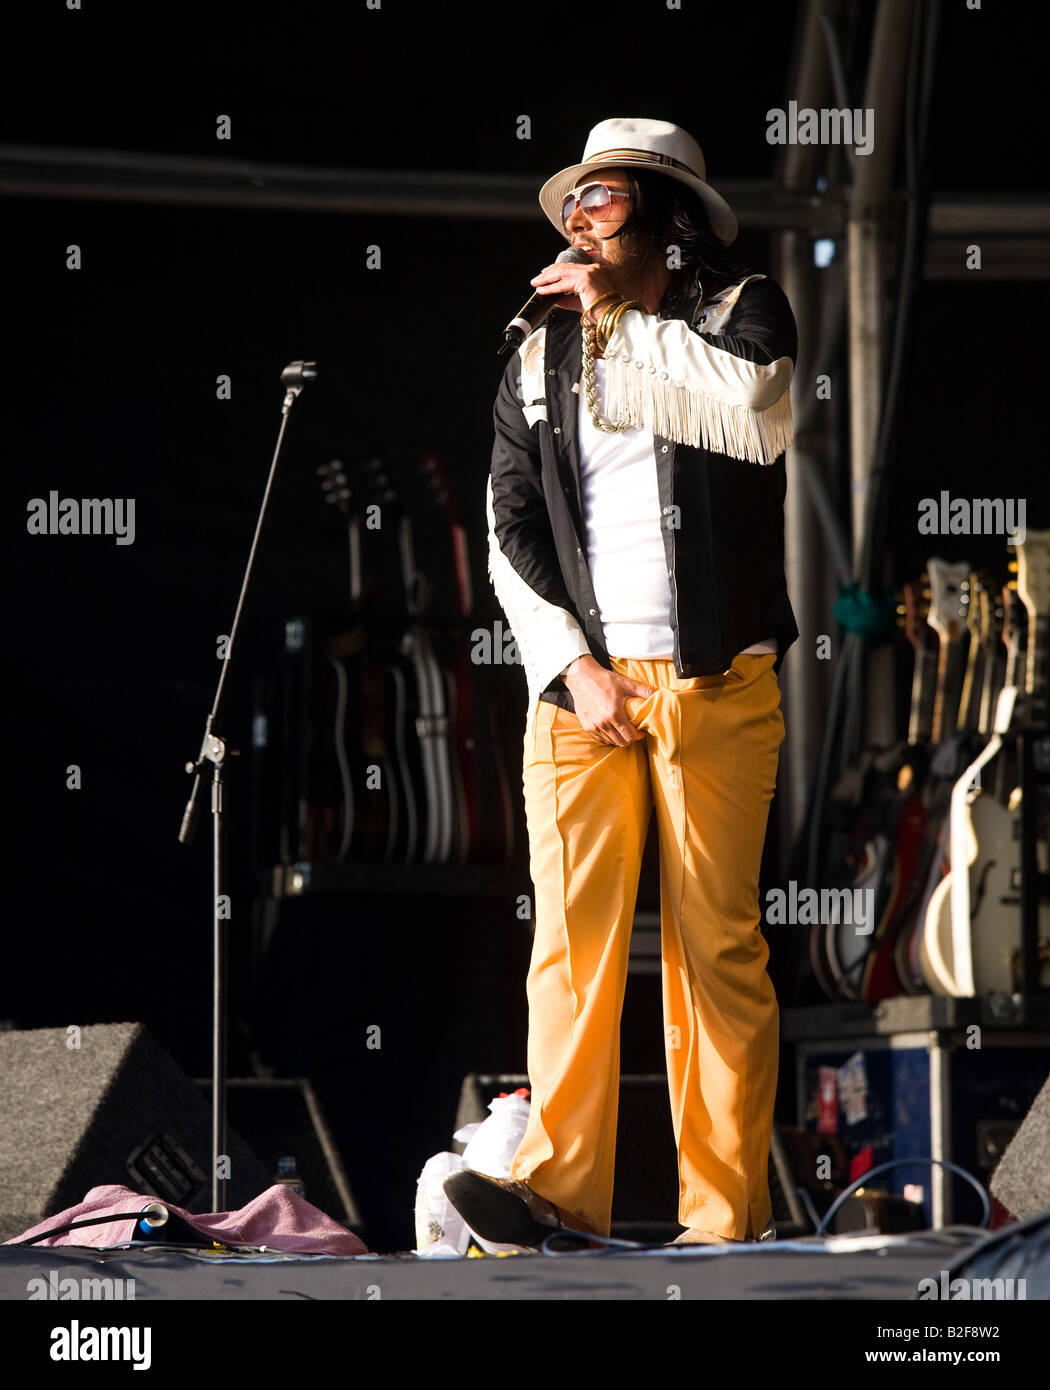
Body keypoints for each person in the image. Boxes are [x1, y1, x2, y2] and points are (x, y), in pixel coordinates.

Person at [445, 117, 799, 1249]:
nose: (575, 220)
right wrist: (573, 666)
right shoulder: (535, 353)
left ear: (665, 213)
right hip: (583, 696)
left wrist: (612, 322)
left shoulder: (741, 315)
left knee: (717, 952)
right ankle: (556, 1196)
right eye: (571, 204)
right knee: (571, 945)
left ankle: (721, 1220)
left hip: (714, 687)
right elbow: (507, 528)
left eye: (600, 200)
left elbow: (751, 413)